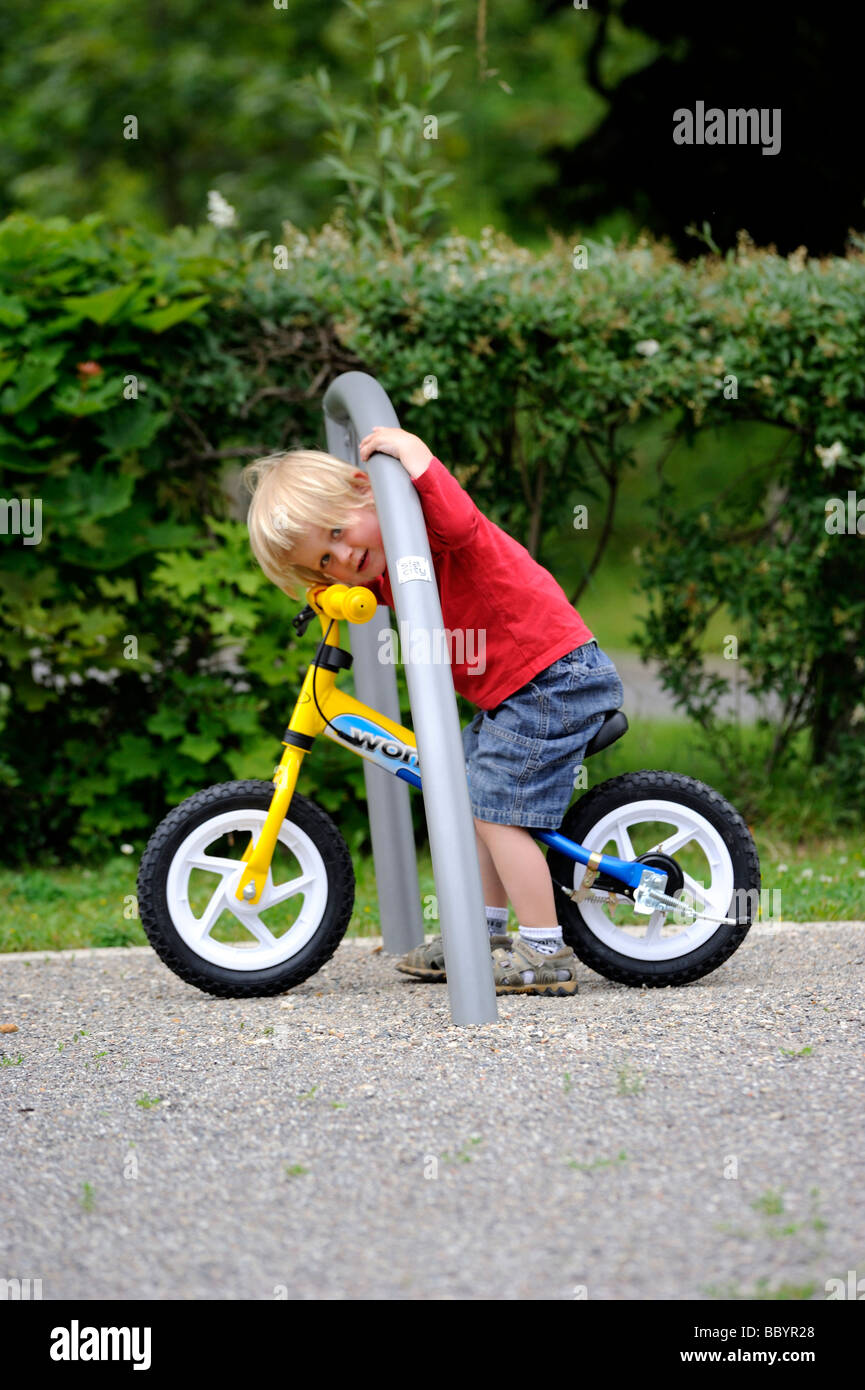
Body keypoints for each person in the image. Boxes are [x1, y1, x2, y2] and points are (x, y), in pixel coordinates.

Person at [243, 426, 624, 996]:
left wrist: (414, 454)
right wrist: (325, 592)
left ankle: (546, 951)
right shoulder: (390, 566)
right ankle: (485, 938)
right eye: (326, 560)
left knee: (497, 811)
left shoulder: (426, 528)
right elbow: (360, 578)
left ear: (364, 489)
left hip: (553, 677)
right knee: (472, 796)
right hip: (518, 691)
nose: (345, 555)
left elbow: (461, 518)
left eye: (339, 532)